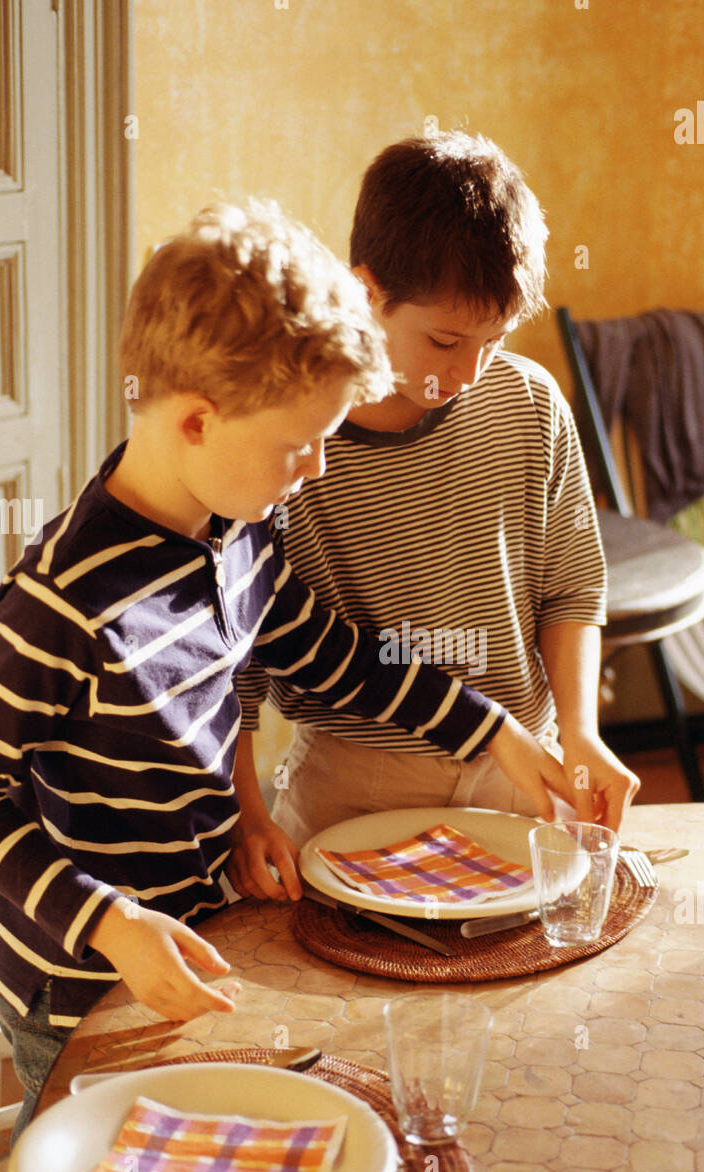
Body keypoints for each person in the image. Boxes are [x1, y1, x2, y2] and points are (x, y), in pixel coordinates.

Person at [0, 198, 569, 1172]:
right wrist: (110, 927)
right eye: (298, 447)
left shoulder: (235, 532)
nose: (317, 472)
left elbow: (333, 657)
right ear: (196, 419)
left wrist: (491, 730)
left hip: (200, 918)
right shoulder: (60, 603)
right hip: (77, 971)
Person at [228, 133, 640, 905]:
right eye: (445, 340)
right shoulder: (292, 441)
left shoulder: (526, 403)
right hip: (352, 780)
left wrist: (580, 731)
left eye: (494, 340)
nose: (468, 372)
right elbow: (241, 654)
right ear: (363, 291)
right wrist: (246, 809)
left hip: (522, 770)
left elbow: (572, 586)